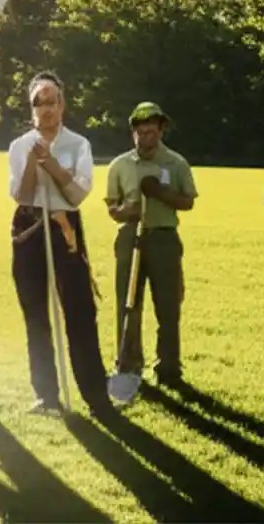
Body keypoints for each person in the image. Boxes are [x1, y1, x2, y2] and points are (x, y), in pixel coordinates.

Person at [7, 72, 112, 416]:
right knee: (35, 312)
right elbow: (20, 194)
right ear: (31, 108)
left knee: (79, 308)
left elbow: (78, 193)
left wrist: (51, 165)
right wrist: (33, 166)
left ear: (62, 105)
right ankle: (46, 395)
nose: (46, 109)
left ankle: (96, 395)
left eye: (51, 101)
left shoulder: (78, 144)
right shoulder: (20, 146)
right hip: (29, 224)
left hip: (64, 224)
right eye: (39, 102)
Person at [104, 102, 197, 388]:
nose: (145, 139)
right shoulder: (120, 165)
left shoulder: (176, 163)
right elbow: (112, 208)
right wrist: (127, 211)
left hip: (163, 238)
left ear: (161, 131)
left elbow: (187, 202)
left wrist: (162, 193)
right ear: (133, 133)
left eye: (151, 133)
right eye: (140, 133)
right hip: (130, 237)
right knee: (128, 303)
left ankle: (169, 369)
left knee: (168, 306)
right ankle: (128, 365)